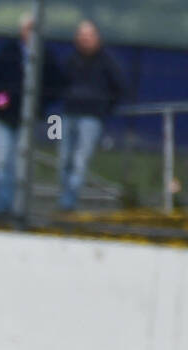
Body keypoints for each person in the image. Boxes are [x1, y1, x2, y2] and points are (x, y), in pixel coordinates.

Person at [0, 15, 61, 218]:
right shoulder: (8, 52)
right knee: (3, 162)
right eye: (28, 29)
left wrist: (39, 106)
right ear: (22, 31)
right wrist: (1, 103)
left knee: (21, 164)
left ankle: (18, 209)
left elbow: (55, 86)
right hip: (5, 118)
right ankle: (0, 207)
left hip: (27, 120)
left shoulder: (46, 57)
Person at [58, 20, 126, 212]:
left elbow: (119, 88)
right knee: (64, 159)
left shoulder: (107, 61)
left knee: (80, 160)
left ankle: (68, 204)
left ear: (97, 38)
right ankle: (64, 198)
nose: (85, 39)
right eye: (81, 35)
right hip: (67, 115)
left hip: (91, 118)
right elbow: (59, 84)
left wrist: (103, 109)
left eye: (88, 35)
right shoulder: (71, 60)